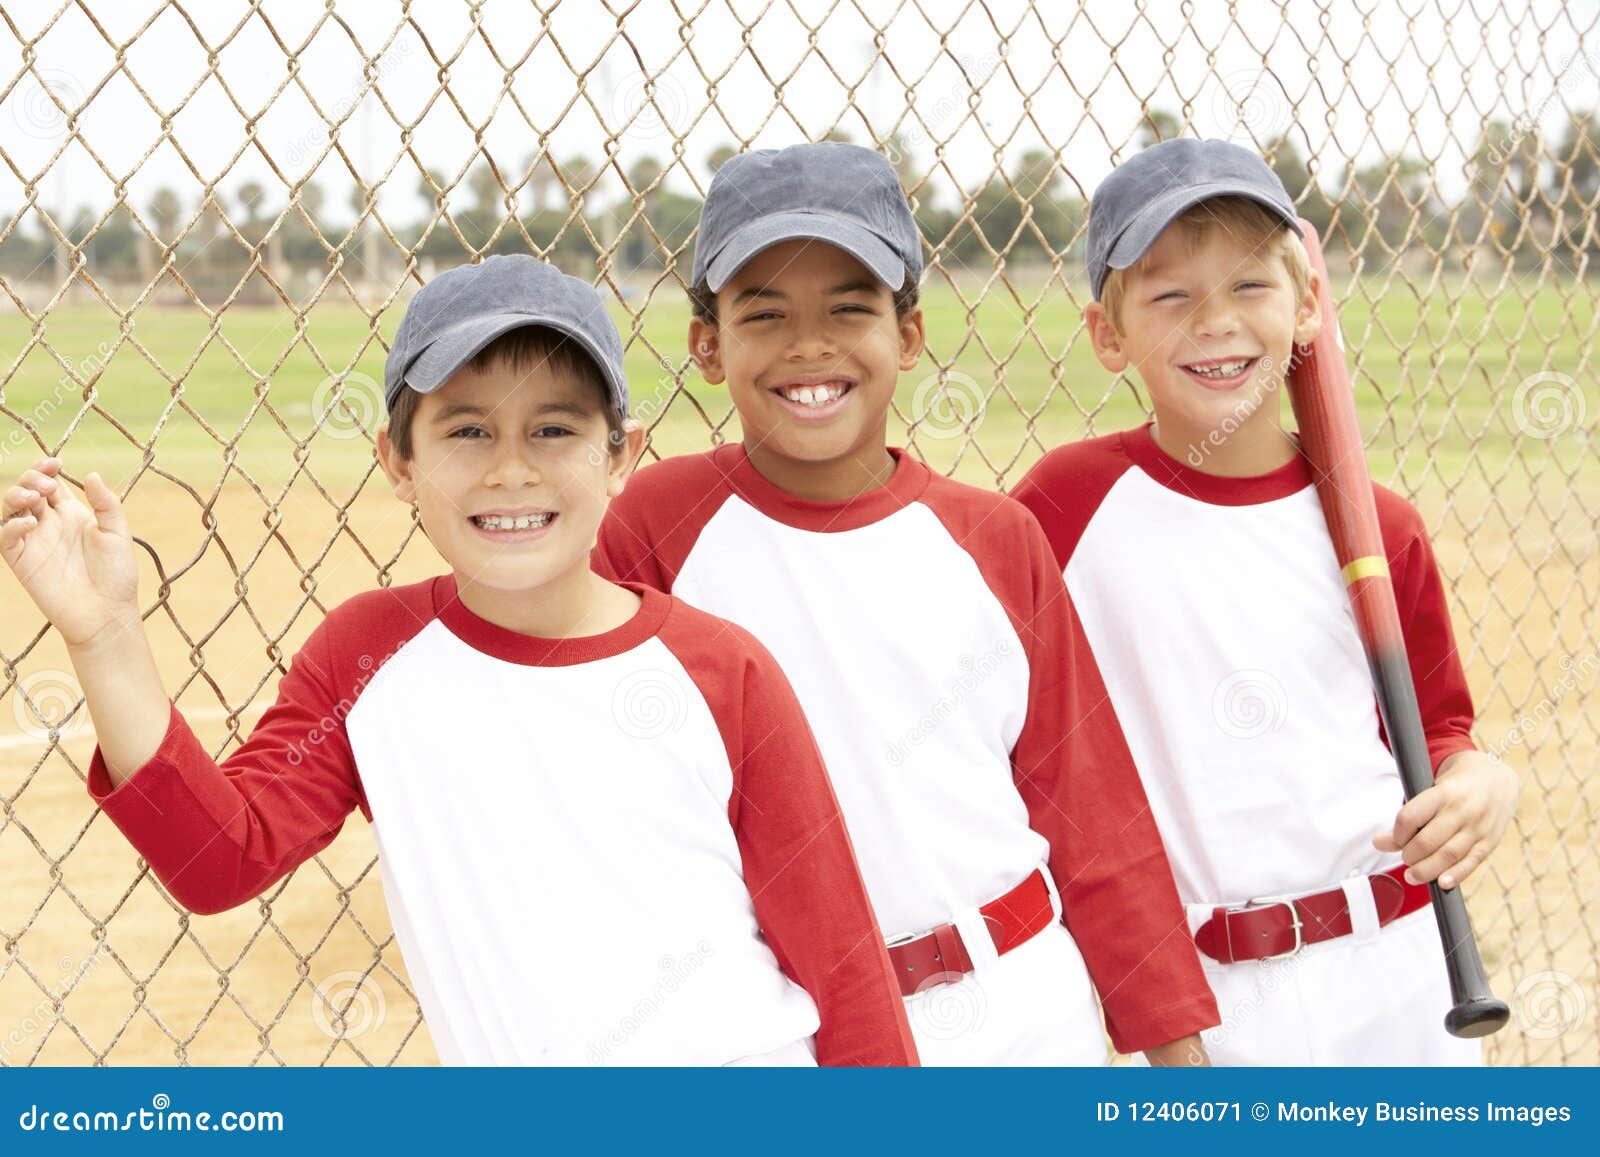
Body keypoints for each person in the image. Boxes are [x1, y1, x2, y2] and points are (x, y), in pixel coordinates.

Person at [0, 255, 917, 1068]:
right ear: (397, 461)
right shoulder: (369, 656)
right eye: (467, 431)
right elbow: (216, 858)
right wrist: (105, 634)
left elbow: (841, 960)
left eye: (554, 429)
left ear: (619, 456)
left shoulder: (722, 670)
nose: (510, 469)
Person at [594, 142, 1219, 1065]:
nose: (811, 346)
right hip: (800, 1022)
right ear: (709, 346)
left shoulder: (993, 538)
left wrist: (1176, 1055)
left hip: (1022, 1005)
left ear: (911, 335)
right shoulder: (661, 523)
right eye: (765, 315)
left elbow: (1091, 813)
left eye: (850, 310)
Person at [1010, 138, 1519, 1064]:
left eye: (1250, 287)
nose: (1216, 322)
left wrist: (1481, 780)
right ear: (1108, 334)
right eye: (1170, 296)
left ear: (1307, 307)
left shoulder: (1373, 523)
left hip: (1404, 967)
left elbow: (1439, 726)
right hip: (1214, 993)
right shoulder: (1064, 508)